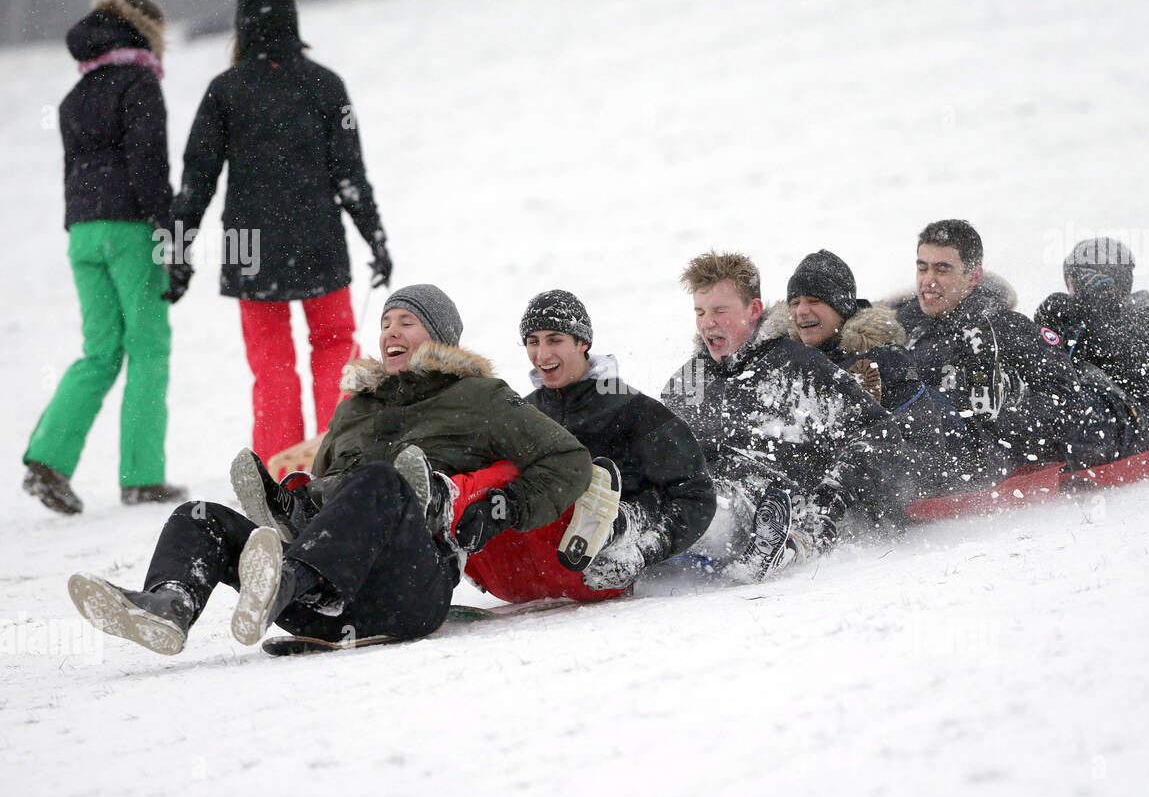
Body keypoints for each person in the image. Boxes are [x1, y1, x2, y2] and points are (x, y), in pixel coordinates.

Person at [68, 285, 598, 655]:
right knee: (199, 514)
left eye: (406, 321)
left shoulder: (479, 396)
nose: (390, 330)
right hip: (319, 603)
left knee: (381, 480)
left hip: (410, 590)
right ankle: (170, 605)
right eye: (385, 322)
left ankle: (289, 579)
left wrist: (501, 508)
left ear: (439, 337)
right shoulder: (356, 407)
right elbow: (331, 494)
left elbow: (568, 460)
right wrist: (300, 501)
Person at [171, 0, 391, 466]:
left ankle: (279, 469)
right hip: (319, 239)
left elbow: (196, 180)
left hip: (249, 246)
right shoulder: (325, 84)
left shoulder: (224, 90)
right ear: (293, 20)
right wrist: (375, 238)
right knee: (334, 346)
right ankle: (344, 455)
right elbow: (350, 176)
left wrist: (176, 249)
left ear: (242, 27)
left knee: (272, 364)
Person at [23, 0, 187, 515]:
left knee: (100, 350)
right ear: (143, 35)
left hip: (83, 234)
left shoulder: (76, 96)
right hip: (128, 232)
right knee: (148, 347)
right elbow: (148, 169)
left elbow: (76, 171)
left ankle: (48, 458)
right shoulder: (139, 83)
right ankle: (141, 475)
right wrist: (174, 239)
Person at [661, 251, 918, 580]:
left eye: (719, 311)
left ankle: (759, 541)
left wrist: (827, 507)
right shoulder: (689, 380)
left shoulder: (799, 366)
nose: (707, 322)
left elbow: (877, 434)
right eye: (700, 312)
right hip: (692, 501)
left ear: (754, 310)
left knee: (718, 504)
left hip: (768, 505)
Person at [519, 289, 715, 591]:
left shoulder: (633, 409)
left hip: (602, 570)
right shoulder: (524, 414)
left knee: (603, 490)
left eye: (555, 340)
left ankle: (615, 528)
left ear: (582, 342)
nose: (542, 355)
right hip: (532, 567)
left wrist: (642, 553)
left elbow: (696, 495)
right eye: (533, 342)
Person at [894, 220, 1119, 476]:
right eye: (922, 269)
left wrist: (1001, 412)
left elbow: (1068, 403)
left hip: (975, 461)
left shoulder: (1004, 329)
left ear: (973, 276)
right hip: (913, 448)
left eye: (942, 270)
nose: (928, 281)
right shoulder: (908, 330)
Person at [768, 249, 977, 496]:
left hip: (921, 477)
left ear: (842, 308)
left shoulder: (887, 363)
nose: (801, 311)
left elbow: (926, 460)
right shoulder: (785, 368)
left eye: (814, 301)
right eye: (794, 303)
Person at [1034, 237, 1149, 455]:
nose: (1069, 289)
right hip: (1079, 421)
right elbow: (1046, 373)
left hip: (1129, 428)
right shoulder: (1076, 320)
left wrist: (1102, 316)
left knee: (1058, 410)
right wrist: (1045, 328)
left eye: (1073, 280)